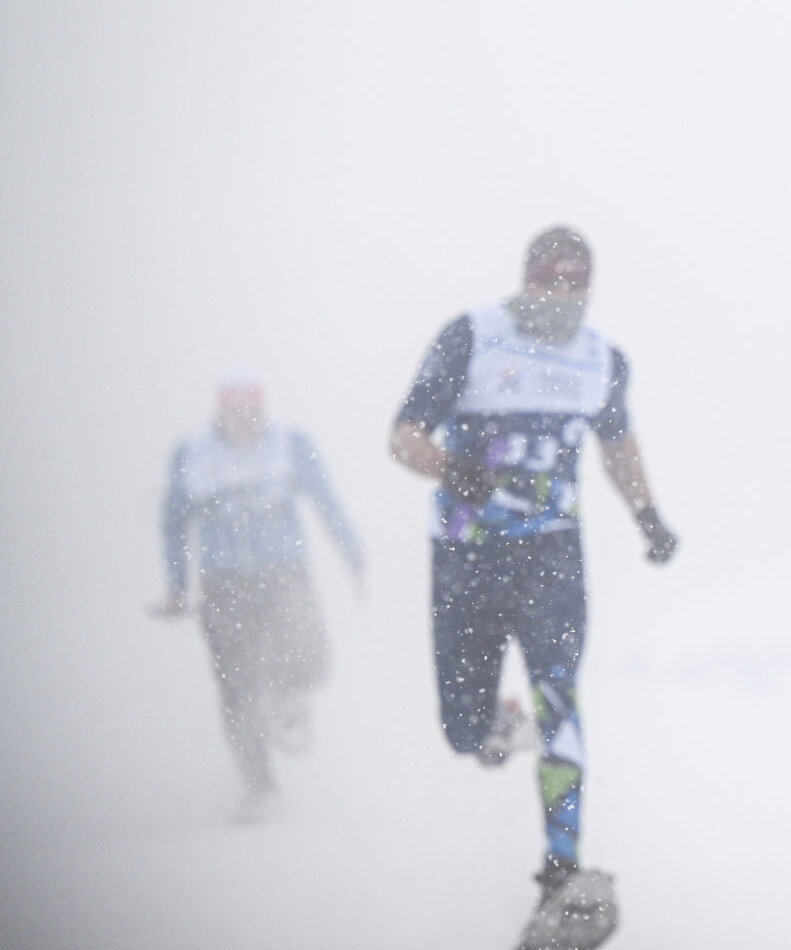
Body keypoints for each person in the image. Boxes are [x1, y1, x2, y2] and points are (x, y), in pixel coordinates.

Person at [389, 226, 678, 950]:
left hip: (552, 557)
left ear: (589, 288)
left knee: (562, 695)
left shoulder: (601, 360)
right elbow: (404, 435)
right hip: (466, 557)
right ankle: (496, 727)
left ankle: (562, 871)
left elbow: (618, 445)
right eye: (548, 279)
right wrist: (452, 470)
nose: (560, 295)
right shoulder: (472, 337)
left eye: (575, 282)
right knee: (463, 731)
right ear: (525, 280)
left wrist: (649, 515)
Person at [153, 375, 364, 822]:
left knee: (312, 660)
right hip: (224, 582)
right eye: (236, 410)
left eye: (253, 410)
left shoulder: (290, 442)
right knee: (236, 687)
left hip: (285, 575)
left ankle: (290, 700)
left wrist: (353, 556)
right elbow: (174, 522)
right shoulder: (192, 452)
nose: (245, 419)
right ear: (221, 411)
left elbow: (326, 500)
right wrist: (176, 585)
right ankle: (259, 787)